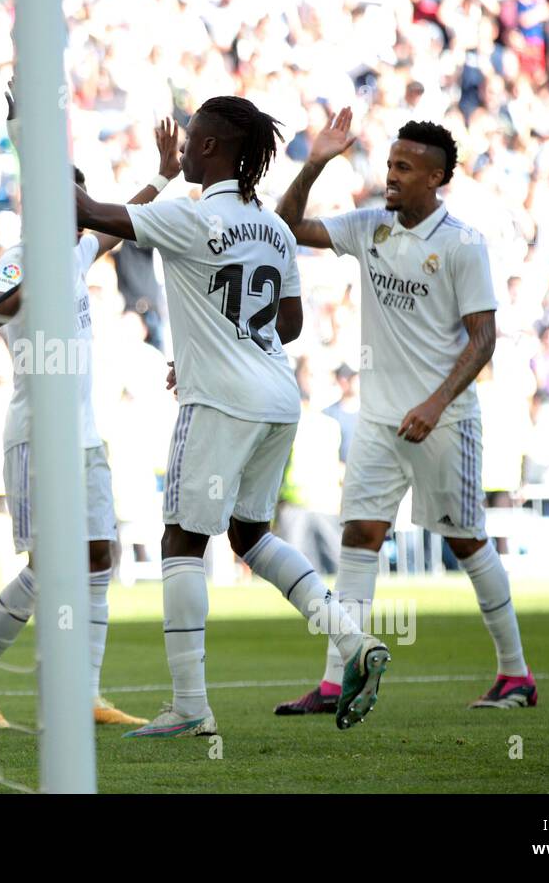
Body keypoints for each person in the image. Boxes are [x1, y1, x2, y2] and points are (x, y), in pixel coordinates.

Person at [76, 95, 389, 736]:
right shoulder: (274, 228)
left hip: (220, 400)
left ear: (213, 148)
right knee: (250, 536)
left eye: (190, 141)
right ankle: (352, 640)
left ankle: (190, 707)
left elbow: (83, 213)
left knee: (182, 540)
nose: (183, 149)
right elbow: (292, 322)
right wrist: (217, 337)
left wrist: (31, 139)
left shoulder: (189, 217)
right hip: (277, 396)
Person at [274, 108, 536, 715]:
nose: (390, 175)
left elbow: (483, 340)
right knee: (360, 535)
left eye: (404, 167)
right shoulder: (371, 227)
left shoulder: (464, 246)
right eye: (390, 163)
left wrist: (435, 402)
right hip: (378, 420)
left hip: (445, 423)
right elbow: (286, 227)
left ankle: (515, 675)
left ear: (436, 178)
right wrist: (314, 163)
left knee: (468, 541)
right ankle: (339, 678)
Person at [0, 87, 177, 729]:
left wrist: (163, 172)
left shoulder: (75, 251)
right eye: (71, 202)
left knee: (99, 556)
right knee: (49, 568)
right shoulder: (22, 258)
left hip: (84, 435)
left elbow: (125, 218)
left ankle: (86, 694)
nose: (83, 214)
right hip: (35, 436)